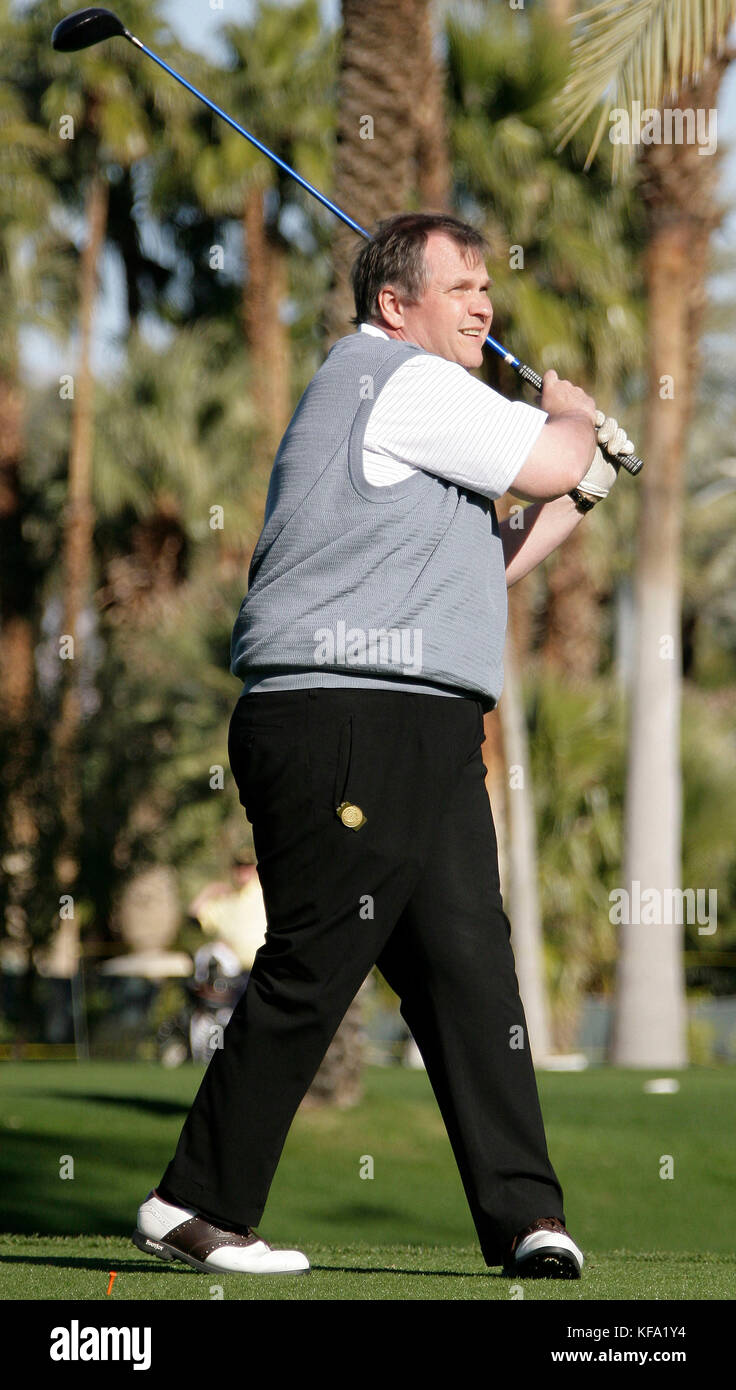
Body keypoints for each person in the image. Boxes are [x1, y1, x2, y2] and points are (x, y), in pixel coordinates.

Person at [132, 212, 635, 1279]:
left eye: (485, 286)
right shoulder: (401, 382)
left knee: (467, 971)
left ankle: (524, 1219)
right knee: (318, 957)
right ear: (394, 304)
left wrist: (583, 480)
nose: (484, 304)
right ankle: (192, 1203)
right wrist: (575, 424)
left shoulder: (415, 411)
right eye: (459, 286)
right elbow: (543, 457)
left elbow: (485, 559)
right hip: (349, 715)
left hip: (422, 721)